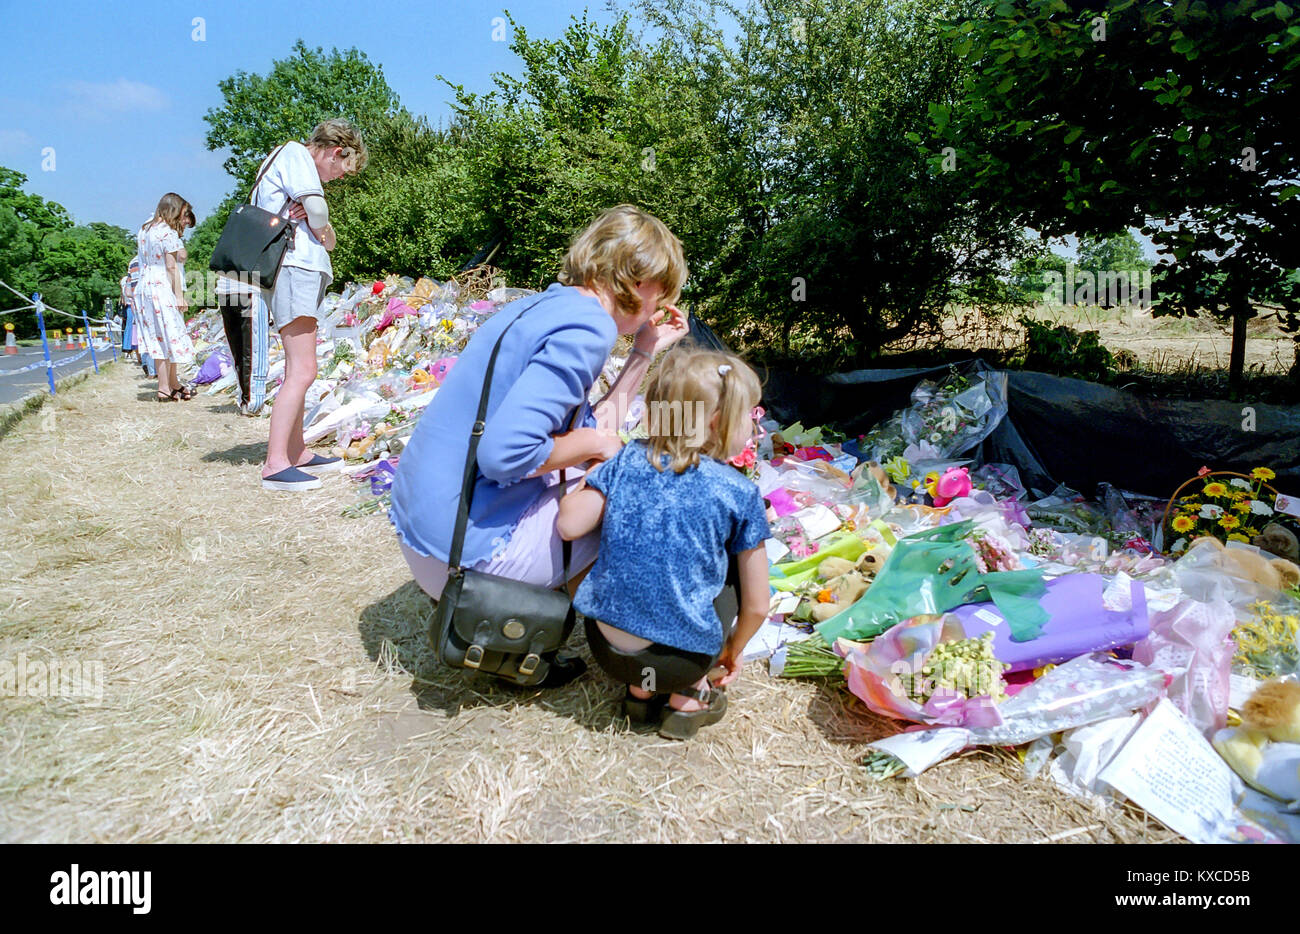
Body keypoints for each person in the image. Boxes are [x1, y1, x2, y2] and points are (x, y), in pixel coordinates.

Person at [389, 204, 690, 687]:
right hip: (461, 556)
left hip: (424, 529)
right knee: (636, 499)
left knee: (593, 473)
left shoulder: (542, 305)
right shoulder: (587, 328)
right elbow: (506, 454)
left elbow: (584, 428)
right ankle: (635, 658)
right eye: (661, 289)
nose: (661, 302)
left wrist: (644, 351)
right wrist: (597, 444)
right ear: (638, 279)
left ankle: (528, 632)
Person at [556, 347, 770, 739]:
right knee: (733, 574)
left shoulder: (626, 461)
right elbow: (757, 605)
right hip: (682, 661)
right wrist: (731, 652)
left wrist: (600, 472)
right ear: (717, 421)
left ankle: (640, 691)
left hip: (607, 650)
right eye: (750, 418)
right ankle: (687, 699)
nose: (754, 429)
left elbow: (570, 525)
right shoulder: (739, 493)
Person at [243, 119, 367, 491]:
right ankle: (276, 463)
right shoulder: (297, 153)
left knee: (301, 367)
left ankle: (296, 452)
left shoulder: (290, 161)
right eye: (342, 168)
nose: (339, 178)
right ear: (335, 151)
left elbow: (327, 237)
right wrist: (320, 224)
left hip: (295, 270)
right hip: (294, 269)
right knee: (303, 369)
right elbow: (320, 218)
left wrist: (321, 228)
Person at [134, 196, 195, 399]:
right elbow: (171, 266)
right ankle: (165, 386)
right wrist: (179, 296)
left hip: (144, 284)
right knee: (169, 334)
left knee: (157, 336)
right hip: (161, 285)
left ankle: (170, 383)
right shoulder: (167, 233)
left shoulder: (144, 229)